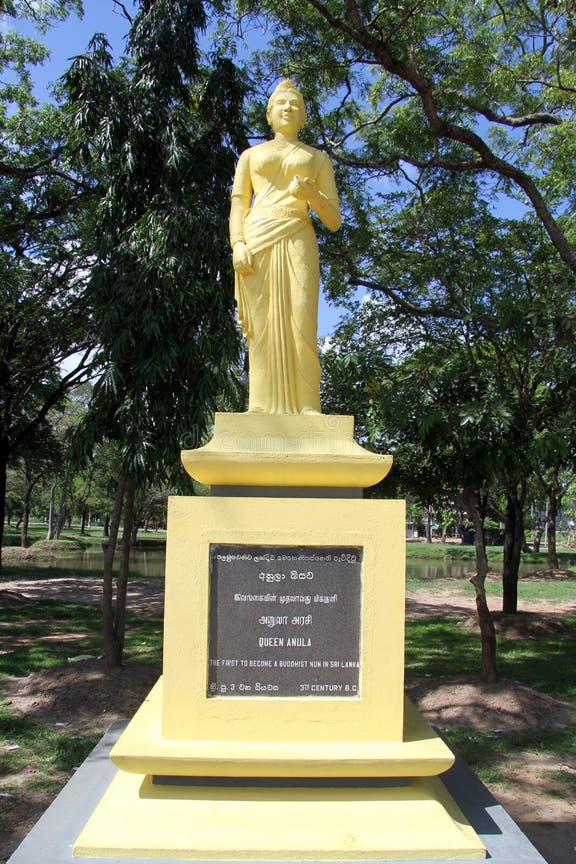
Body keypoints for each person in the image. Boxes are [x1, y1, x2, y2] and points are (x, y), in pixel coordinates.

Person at [229, 79, 341, 415]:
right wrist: (237, 243)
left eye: (295, 103)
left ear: (304, 115)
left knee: (302, 321)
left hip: (297, 234)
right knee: (261, 328)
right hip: (257, 236)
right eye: (281, 103)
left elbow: (333, 219)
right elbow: (238, 204)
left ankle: (309, 404)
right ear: (269, 114)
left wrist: (311, 196)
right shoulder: (250, 156)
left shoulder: (317, 159)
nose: (288, 107)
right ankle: (260, 405)